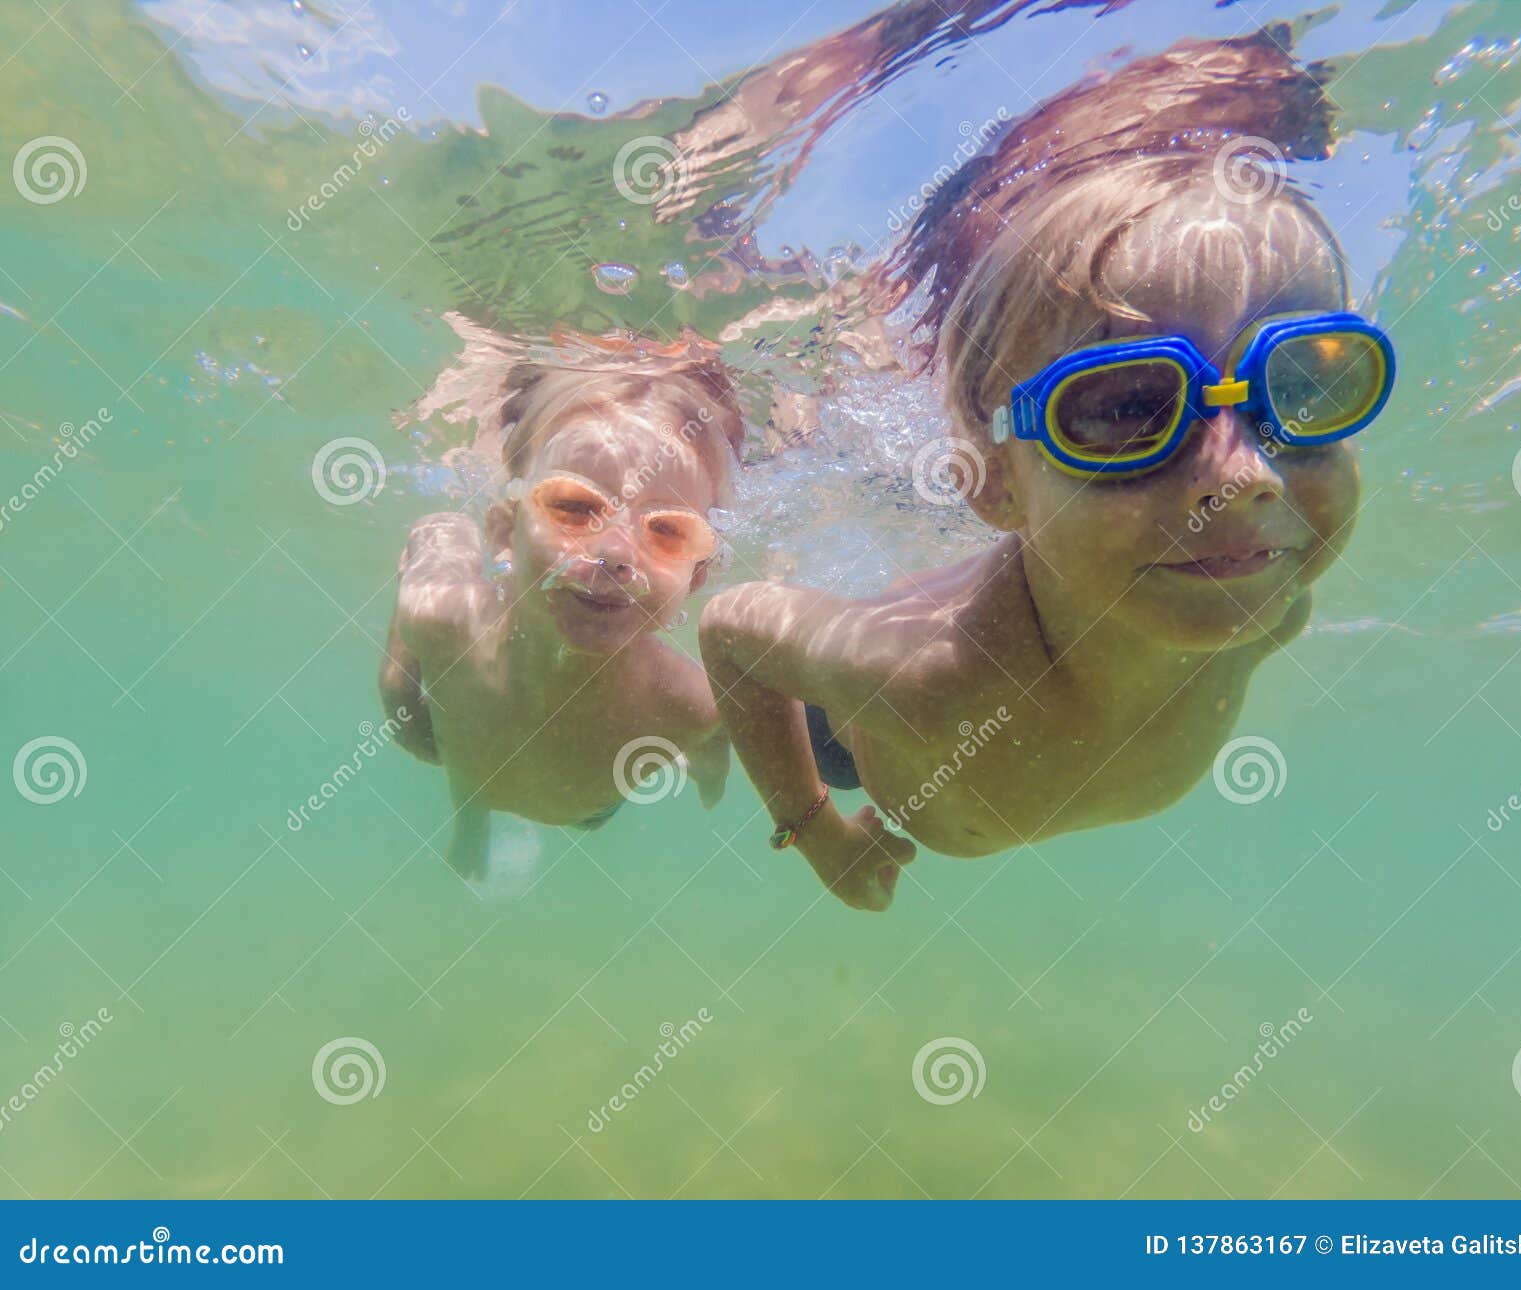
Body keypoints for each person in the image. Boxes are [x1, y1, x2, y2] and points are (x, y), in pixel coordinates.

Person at [698, 28, 1396, 912]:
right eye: (1130, 409)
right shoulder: (926, 683)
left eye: (1303, 390)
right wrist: (815, 830)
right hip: (849, 731)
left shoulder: (1265, 599)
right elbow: (729, 628)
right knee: (693, 720)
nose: (1249, 473)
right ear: (992, 478)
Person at [380, 343, 743, 878]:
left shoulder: (695, 705)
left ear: (697, 576)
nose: (616, 554)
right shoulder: (444, 619)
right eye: (574, 507)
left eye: (667, 530)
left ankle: (514, 815)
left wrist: (707, 775)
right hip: (474, 764)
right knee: (471, 772)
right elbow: (428, 537)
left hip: (588, 800)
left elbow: (716, 740)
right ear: (506, 530)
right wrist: (399, 698)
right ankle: (470, 826)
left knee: (588, 817)